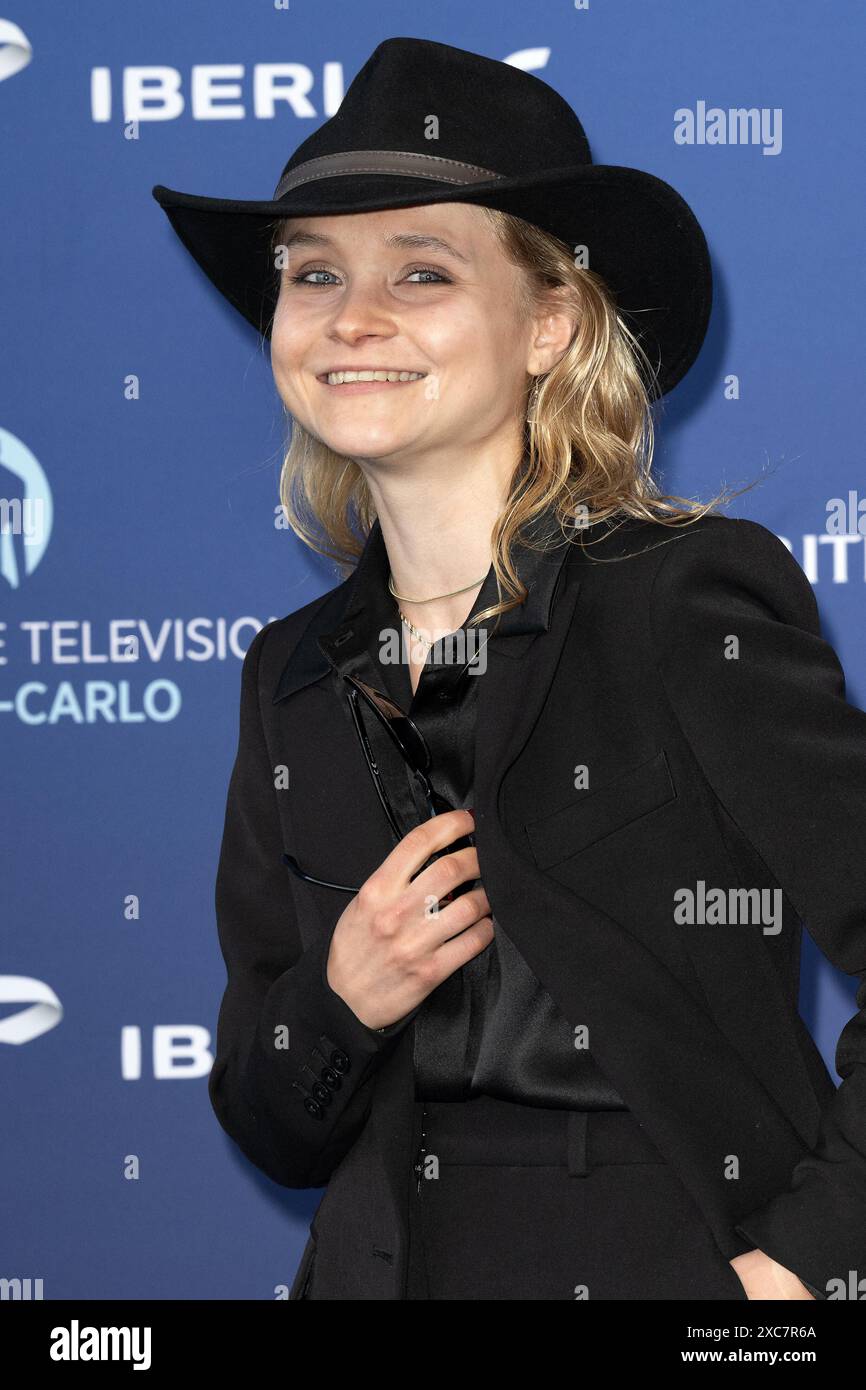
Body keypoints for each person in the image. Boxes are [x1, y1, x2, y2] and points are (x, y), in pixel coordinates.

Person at [153, 38, 866, 1300]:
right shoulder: (292, 676)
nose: (350, 317)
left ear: (548, 322)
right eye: (311, 274)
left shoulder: (680, 597)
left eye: (419, 271)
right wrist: (341, 997)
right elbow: (271, 1121)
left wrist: (795, 1269)